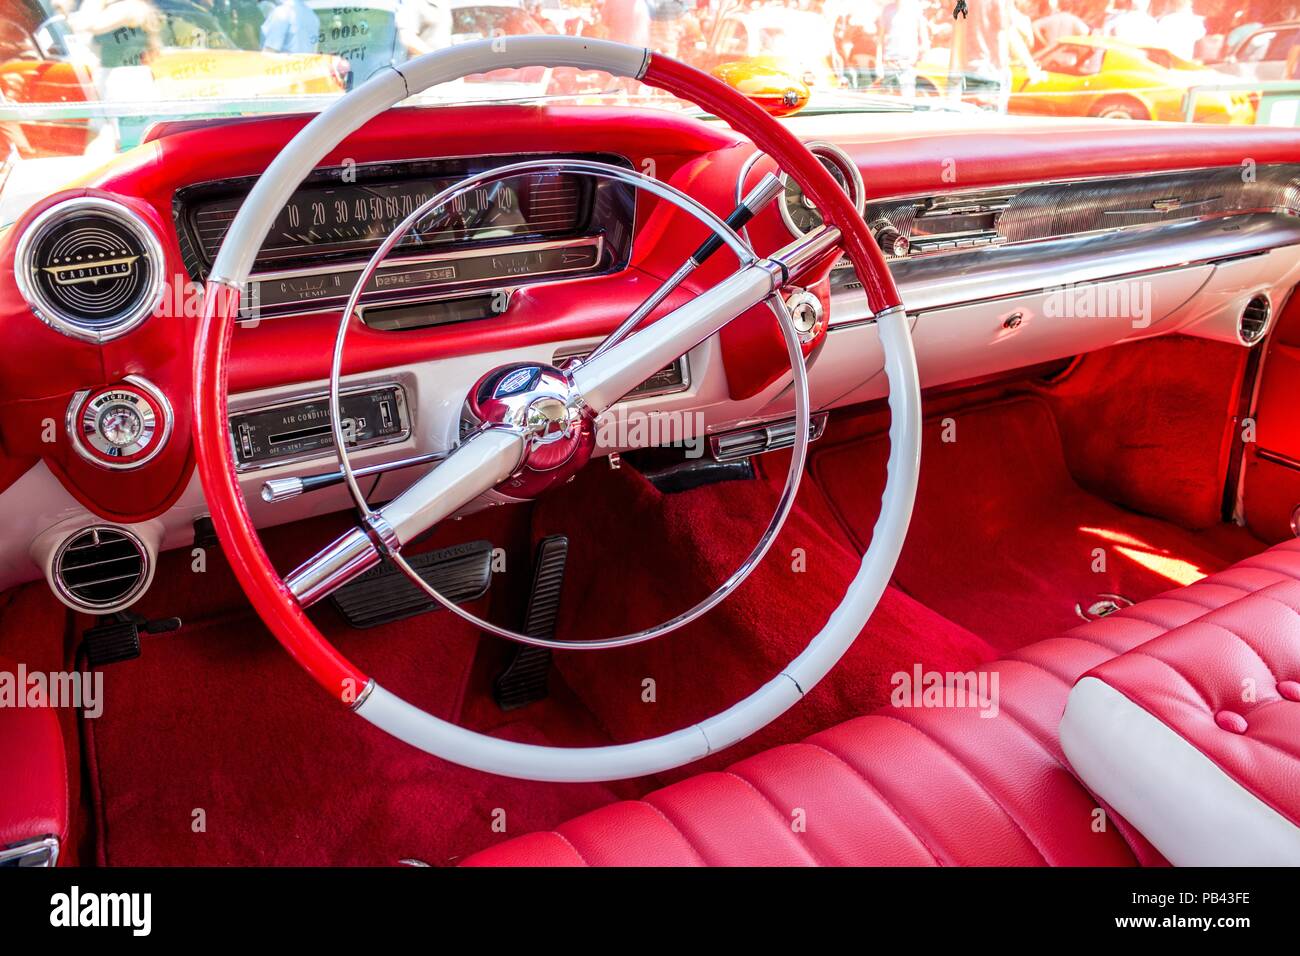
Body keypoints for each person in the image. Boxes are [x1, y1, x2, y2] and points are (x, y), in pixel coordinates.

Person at [877, 0, 930, 97]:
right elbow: (880, 39)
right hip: (889, 65)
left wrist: (911, 61)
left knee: (907, 104)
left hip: (907, 67)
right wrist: (879, 64)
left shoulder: (916, 8)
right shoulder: (887, 9)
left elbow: (925, 42)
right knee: (889, 105)